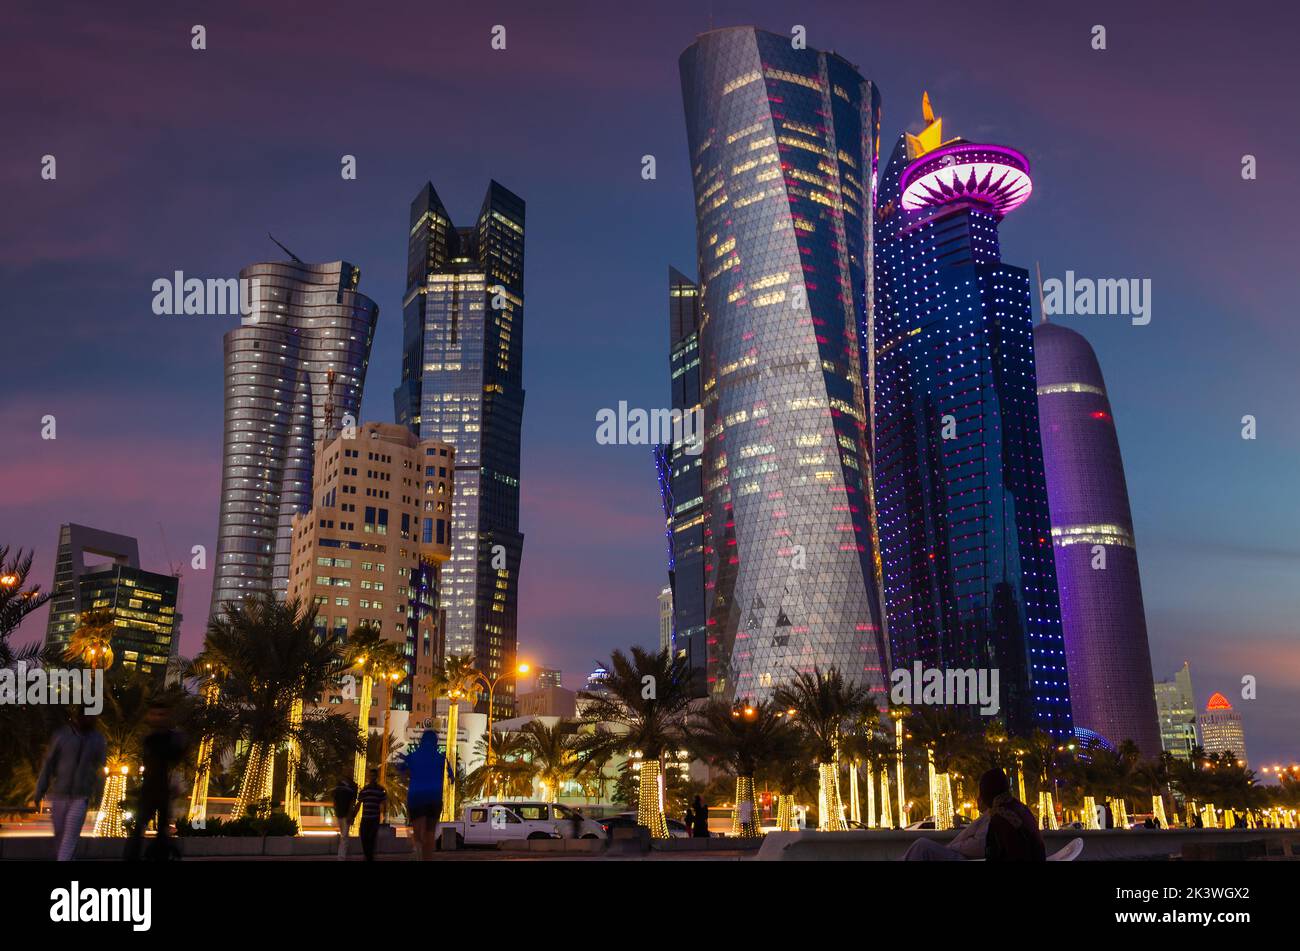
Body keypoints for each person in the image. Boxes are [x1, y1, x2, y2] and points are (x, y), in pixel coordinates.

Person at [33, 708, 107, 861]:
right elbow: (49, 763)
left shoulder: (98, 740)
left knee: (70, 837)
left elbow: (100, 770)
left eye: (93, 717)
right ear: (78, 716)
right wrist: (40, 790)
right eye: (88, 716)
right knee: (60, 835)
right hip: (59, 794)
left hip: (81, 797)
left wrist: (98, 796)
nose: (91, 720)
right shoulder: (62, 736)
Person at [126, 702, 186, 861]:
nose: (158, 718)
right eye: (154, 714)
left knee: (161, 831)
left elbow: (175, 760)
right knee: (139, 830)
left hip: (163, 792)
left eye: (161, 714)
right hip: (150, 791)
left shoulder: (170, 739)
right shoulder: (150, 740)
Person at [398, 730, 450, 860]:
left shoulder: (413, 756)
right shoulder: (441, 758)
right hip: (434, 798)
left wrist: (408, 774)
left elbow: (400, 770)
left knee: (418, 830)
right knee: (430, 832)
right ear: (435, 742)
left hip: (416, 797)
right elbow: (451, 776)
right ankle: (427, 857)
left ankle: (418, 849)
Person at [981, 768, 1046, 861]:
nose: (981, 797)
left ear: (989, 791)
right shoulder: (1019, 808)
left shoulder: (1001, 818)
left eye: (982, 790)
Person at [356, 768, 387, 861]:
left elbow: (384, 804)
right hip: (365, 819)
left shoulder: (380, 790)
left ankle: (369, 857)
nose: (372, 777)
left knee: (371, 839)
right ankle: (368, 856)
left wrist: (383, 816)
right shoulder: (364, 790)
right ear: (369, 777)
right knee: (364, 838)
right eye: (370, 776)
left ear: (376, 777)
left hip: (374, 819)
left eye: (373, 776)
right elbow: (359, 803)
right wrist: (353, 815)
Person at [331, 775, 359, 860]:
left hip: (340, 814)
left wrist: (336, 811)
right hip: (345, 815)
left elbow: (335, 801)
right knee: (344, 837)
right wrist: (350, 815)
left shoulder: (338, 789)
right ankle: (342, 856)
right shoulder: (351, 790)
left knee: (344, 836)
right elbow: (352, 804)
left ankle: (343, 856)